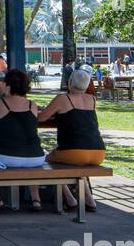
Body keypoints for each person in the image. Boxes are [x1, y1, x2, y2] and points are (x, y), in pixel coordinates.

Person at [38, 68, 107, 211]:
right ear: (87, 85)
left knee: (44, 160)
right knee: (78, 167)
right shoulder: (92, 99)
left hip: (73, 151)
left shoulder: (63, 98)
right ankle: (89, 199)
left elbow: (42, 117)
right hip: (98, 153)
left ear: (69, 83)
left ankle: (69, 198)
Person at [0, 68, 46, 210]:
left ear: (8, 86)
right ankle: (36, 199)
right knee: (31, 164)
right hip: (37, 157)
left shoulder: (0, 103)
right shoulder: (32, 105)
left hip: (7, 155)